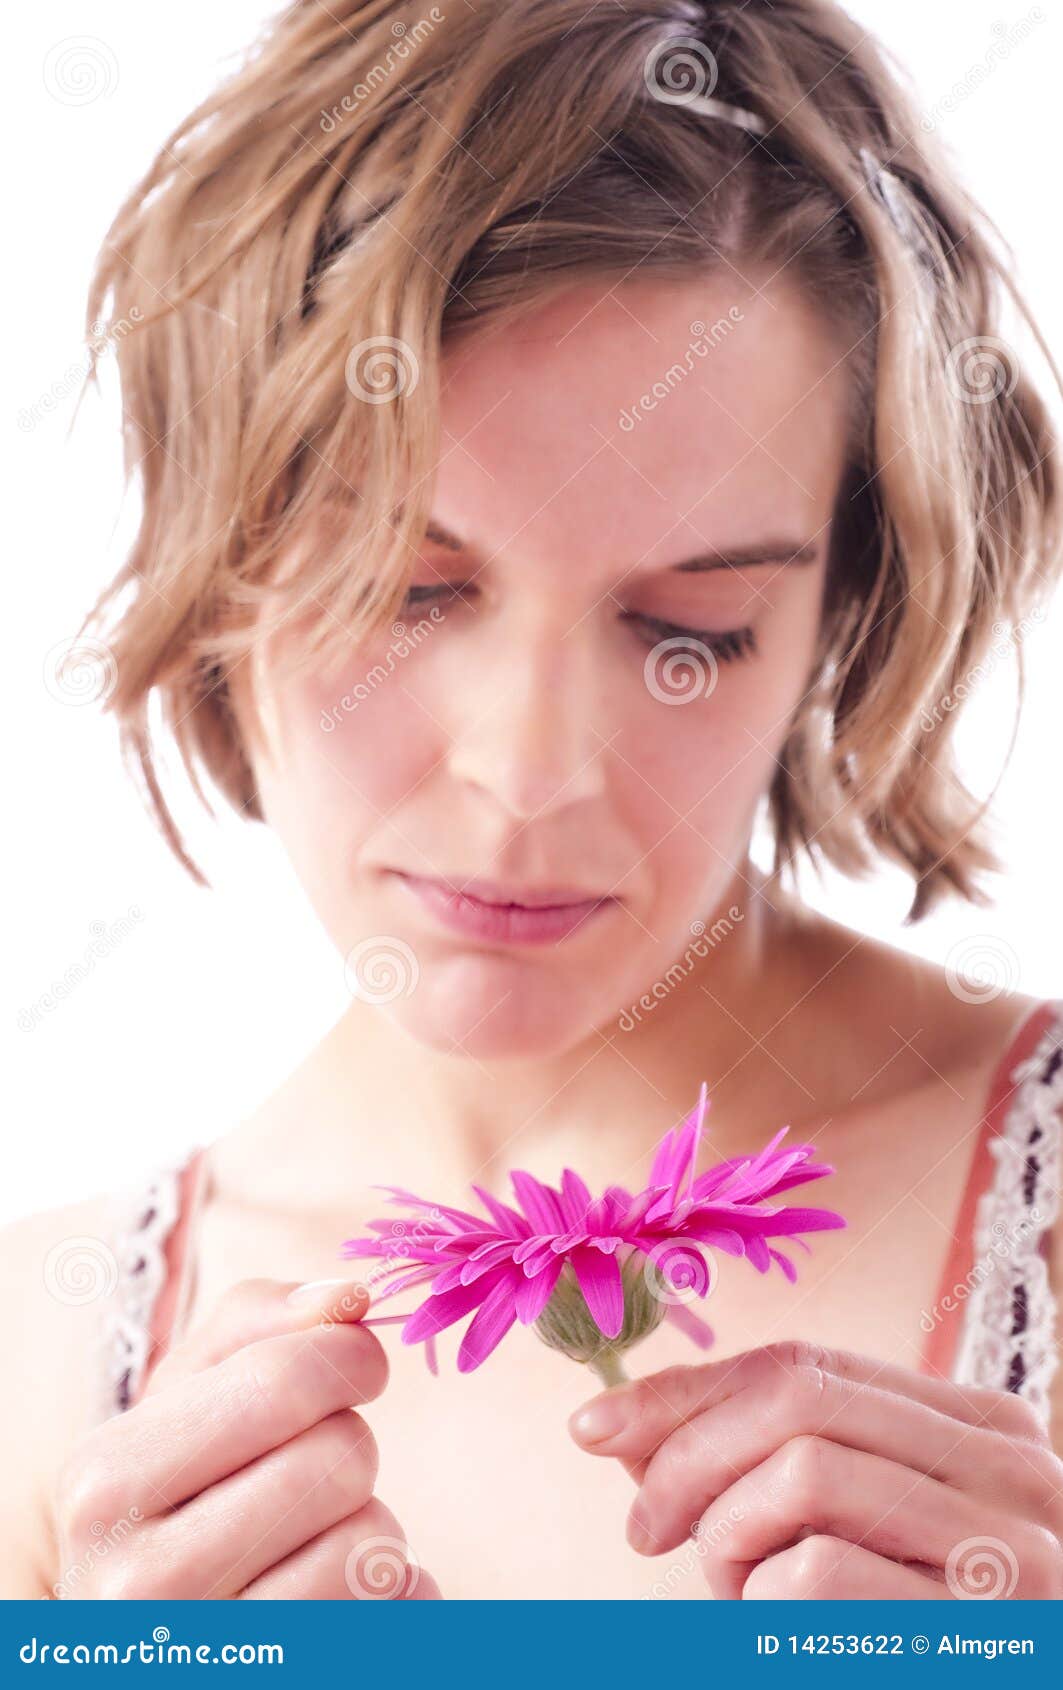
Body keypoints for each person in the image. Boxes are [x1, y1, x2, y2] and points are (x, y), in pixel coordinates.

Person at [5, 0, 1062, 1601]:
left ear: (843, 612)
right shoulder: (45, 1368)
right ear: (217, 566)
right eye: (410, 590)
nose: (533, 770)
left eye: (690, 633)